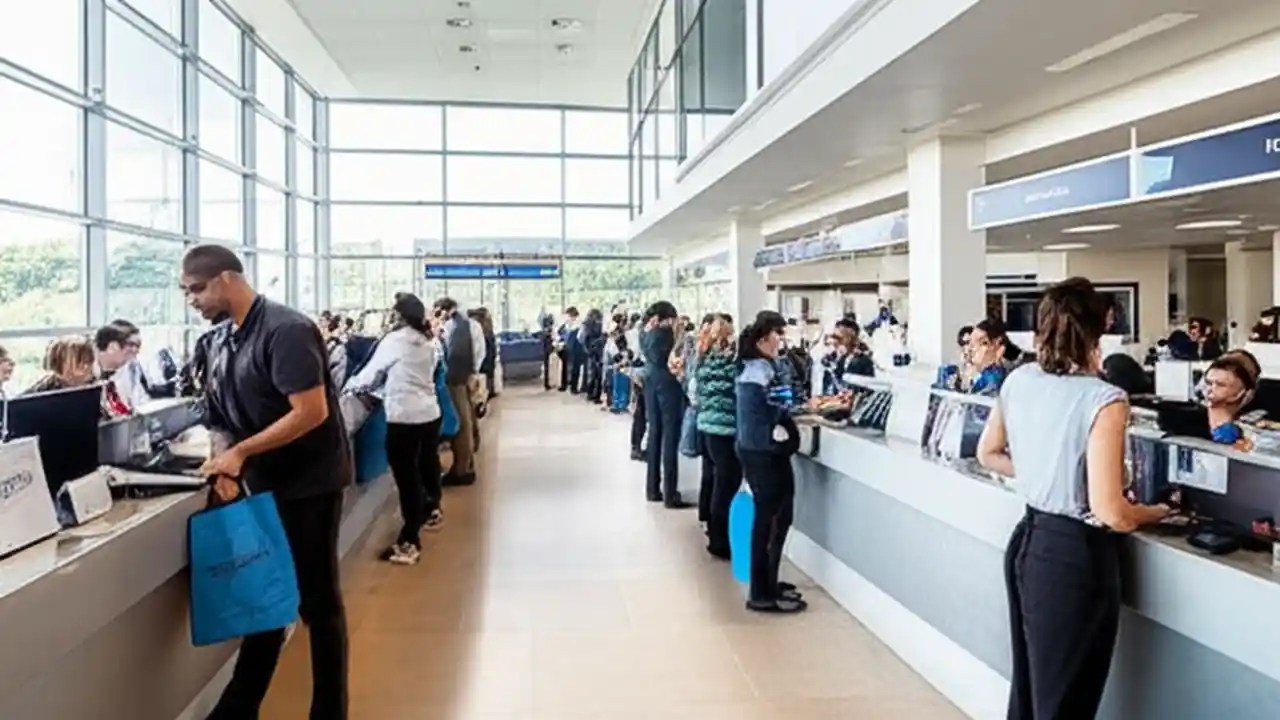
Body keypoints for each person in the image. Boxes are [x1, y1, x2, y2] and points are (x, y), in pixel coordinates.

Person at [977, 277, 1168, 720]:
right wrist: (1155, 511)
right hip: (1074, 558)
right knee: (1066, 702)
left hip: (1027, 542)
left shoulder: (1019, 379)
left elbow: (989, 453)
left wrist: (1047, 473)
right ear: (1104, 324)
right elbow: (1111, 512)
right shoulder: (1105, 398)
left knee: (1031, 694)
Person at [180, 244, 352, 720]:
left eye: (196, 289)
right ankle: (240, 705)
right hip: (261, 485)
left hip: (308, 483)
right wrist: (225, 457)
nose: (191, 300)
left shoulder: (286, 330)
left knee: (318, 603)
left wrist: (242, 452)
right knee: (264, 596)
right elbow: (215, 415)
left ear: (229, 279)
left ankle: (330, 710)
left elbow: (311, 412)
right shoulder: (215, 343)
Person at [345, 293, 443, 566]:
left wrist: (349, 387)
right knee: (427, 463)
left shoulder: (395, 341)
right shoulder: (426, 340)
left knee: (407, 477)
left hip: (405, 418)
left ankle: (409, 540)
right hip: (429, 413)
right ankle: (432, 507)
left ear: (398, 315)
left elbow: (370, 373)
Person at [735, 310, 804, 613]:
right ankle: (760, 593)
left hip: (761, 450)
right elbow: (780, 405)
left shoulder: (760, 367)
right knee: (769, 520)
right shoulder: (758, 371)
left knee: (778, 515)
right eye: (778, 334)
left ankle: (768, 581)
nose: (782, 340)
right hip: (763, 452)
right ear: (764, 337)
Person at [694, 314, 739, 559]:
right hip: (726, 429)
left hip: (708, 427)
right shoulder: (729, 364)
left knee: (714, 482)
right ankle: (721, 540)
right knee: (726, 486)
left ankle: (714, 534)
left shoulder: (704, 358)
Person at [640, 301, 691, 508]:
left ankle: (653, 489)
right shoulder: (669, 336)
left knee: (654, 434)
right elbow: (678, 360)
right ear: (667, 318)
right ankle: (670, 493)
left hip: (650, 383)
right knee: (670, 437)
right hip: (669, 386)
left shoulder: (644, 335)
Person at [433, 297, 486, 486]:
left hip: (454, 379)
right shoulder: (472, 325)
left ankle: (462, 470)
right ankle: (467, 464)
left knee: (460, 423)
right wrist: (474, 373)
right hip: (468, 376)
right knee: (468, 420)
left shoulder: (449, 327)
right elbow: (481, 351)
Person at [94, 320, 149, 415]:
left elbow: (141, 402)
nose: (136, 351)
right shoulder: (84, 373)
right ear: (112, 347)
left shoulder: (131, 369)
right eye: (131, 345)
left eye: (138, 346)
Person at [24, 336, 96, 395]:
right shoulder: (41, 392)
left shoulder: (98, 388)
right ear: (60, 363)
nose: (86, 366)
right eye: (79, 361)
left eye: (88, 360)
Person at [581, 309, 606, 403]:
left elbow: (583, 340)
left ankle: (590, 393)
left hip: (590, 352)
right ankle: (596, 396)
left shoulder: (585, 326)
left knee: (592, 374)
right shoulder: (596, 326)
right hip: (597, 351)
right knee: (598, 375)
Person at [557, 307, 581, 392]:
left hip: (575, 349)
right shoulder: (566, 324)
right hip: (566, 348)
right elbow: (561, 333)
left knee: (574, 368)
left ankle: (573, 387)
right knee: (565, 367)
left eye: (569, 315)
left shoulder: (578, 324)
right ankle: (564, 384)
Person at [322, 315, 348, 390]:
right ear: (339, 324)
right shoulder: (336, 343)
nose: (345, 326)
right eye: (343, 323)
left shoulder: (329, 339)